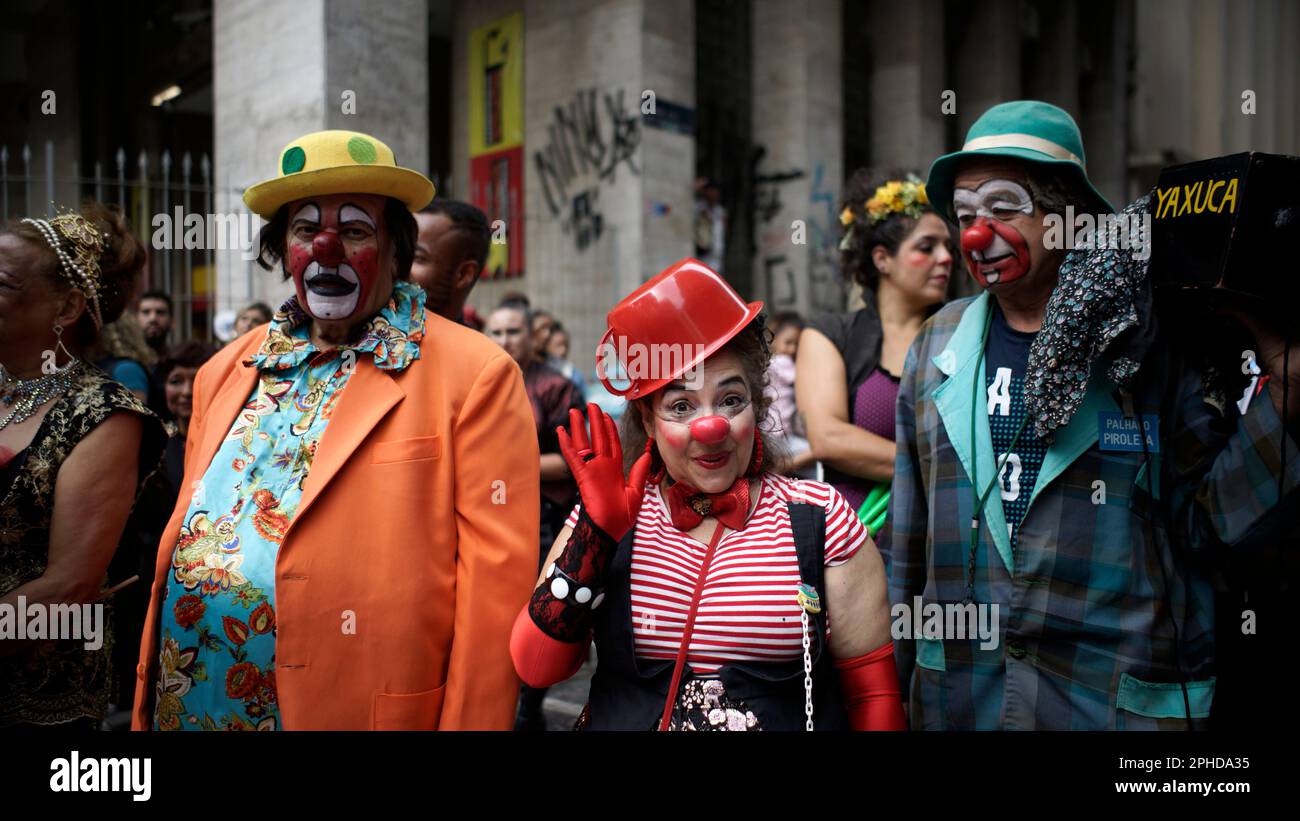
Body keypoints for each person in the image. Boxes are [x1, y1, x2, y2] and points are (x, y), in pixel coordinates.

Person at [889, 100, 1300, 729]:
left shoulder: (1149, 343)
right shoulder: (935, 347)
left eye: (1004, 207)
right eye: (965, 214)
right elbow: (909, 547)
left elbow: (1215, 528)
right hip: (964, 701)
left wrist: (1284, 391)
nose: (976, 234)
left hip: (1109, 705)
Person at [131, 129, 540, 731]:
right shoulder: (227, 370)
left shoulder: (476, 375)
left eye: (354, 231)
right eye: (305, 230)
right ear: (284, 249)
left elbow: (494, 595)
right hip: (193, 700)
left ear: (397, 249)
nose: (326, 249)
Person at [509, 258, 905, 731]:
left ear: (756, 407)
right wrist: (594, 539)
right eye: (680, 405)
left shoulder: (822, 519)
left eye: (731, 400)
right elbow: (536, 667)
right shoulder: (607, 519)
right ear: (648, 422)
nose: (712, 427)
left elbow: (874, 696)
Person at [0, 203, 166, 729]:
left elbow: (68, 587)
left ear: (67, 307)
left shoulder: (104, 415)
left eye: (2, 282)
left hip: (36, 705)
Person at [796, 172, 953, 543]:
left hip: (941, 546)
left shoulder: (965, 334)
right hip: (854, 547)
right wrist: (939, 465)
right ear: (882, 259)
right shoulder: (829, 334)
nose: (946, 258)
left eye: (948, 246)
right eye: (926, 247)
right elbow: (829, 438)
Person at [485, 300, 584, 731]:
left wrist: (505, 465)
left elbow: (573, 459)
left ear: (532, 337)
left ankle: (527, 708)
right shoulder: (479, 383)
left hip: (544, 519)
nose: (505, 341)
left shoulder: (556, 387)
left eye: (513, 332)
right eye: (498, 332)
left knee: (540, 617)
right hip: (488, 519)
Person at [410, 199, 489, 324]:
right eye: (396, 253)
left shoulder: (473, 344)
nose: (396, 266)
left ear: (463, 274)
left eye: (416, 257)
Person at [764, 311, 813, 475]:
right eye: (788, 342)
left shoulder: (766, 364)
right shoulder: (780, 362)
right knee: (812, 454)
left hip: (777, 430)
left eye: (797, 344)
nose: (792, 349)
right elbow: (801, 377)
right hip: (778, 433)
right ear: (773, 338)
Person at [544, 321, 587, 399]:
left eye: (566, 345)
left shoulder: (573, 374)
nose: (563, 350)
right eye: (559, 345)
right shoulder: (540, 372)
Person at [136, 290, 173, 357]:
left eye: (160, 312)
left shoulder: (181, 362)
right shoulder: (128, 362)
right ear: (136, 318)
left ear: (172, 320)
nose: (153, 318)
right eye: (146, 312)